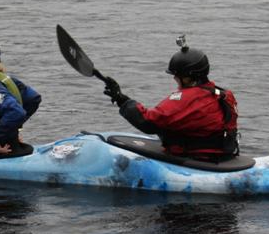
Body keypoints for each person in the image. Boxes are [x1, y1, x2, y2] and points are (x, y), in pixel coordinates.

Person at [102, 35, 239, 161]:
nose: (174, 78)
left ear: (188, 77)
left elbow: (148, 122)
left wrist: (122, 100)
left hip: (198, 157)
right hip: (223, 154)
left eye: (176, 75)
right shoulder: (222, 94)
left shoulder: (187, 98)